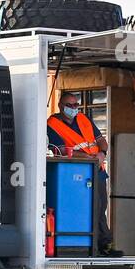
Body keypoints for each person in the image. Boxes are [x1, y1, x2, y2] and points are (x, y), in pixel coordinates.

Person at [47, 91, 113, 251]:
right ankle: (91, 246)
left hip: (97, 170)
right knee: (84, 209)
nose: (74, 108)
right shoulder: (52, 124)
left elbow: (102, 141)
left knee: (100, 206)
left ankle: (104, 245)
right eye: (69, 105)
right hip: (74, 172)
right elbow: (61, 151)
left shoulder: (84, 119)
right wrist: (90, 158)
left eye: (76, 105)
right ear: (60, 106)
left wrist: (102, 154)